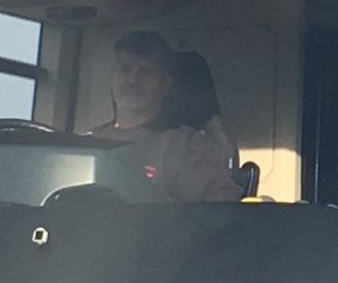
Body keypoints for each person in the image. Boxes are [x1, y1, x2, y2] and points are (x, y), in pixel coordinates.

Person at [96, 30, 241, 202]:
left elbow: (221, 212)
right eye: (125, 69)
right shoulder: (88, 140)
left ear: (165, 85)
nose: (133, 80)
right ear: (112, 79)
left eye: (145, 72)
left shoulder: (185, 146)